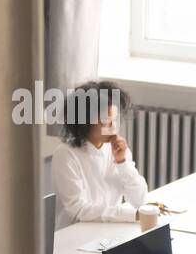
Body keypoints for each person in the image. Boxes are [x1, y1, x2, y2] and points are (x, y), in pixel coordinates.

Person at [51, 80, 153, 226]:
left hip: (109, 230)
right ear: (85, 122)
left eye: (115, 119)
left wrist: (122, 163)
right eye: (106, 120)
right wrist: (131, 215)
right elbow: (79, 209)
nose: (113, 127)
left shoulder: (117, 150)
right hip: (75, 233)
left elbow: (140, 200)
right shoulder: (66, 155)